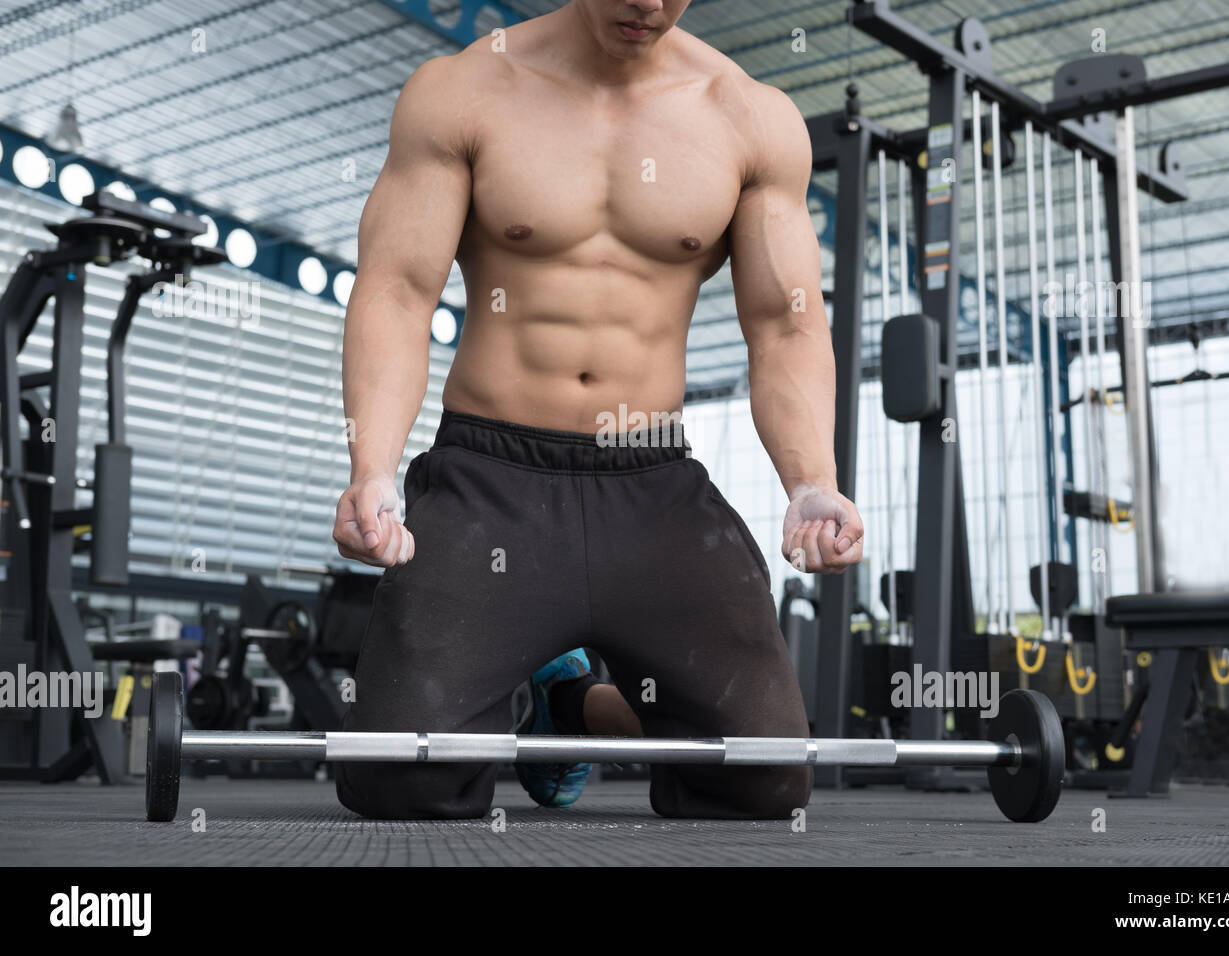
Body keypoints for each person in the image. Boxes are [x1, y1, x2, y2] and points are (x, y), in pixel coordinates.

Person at [331, 0, 864, 820]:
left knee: (763, 779)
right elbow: (398, 292)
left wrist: (812, 480)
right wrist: (373, 470)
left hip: (652, 485)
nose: (648, 4)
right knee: (401, 780)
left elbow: (784, 324)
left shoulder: (750, 119)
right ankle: (501, 693)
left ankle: (574, 707)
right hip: (491, 481)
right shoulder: (463, 91)